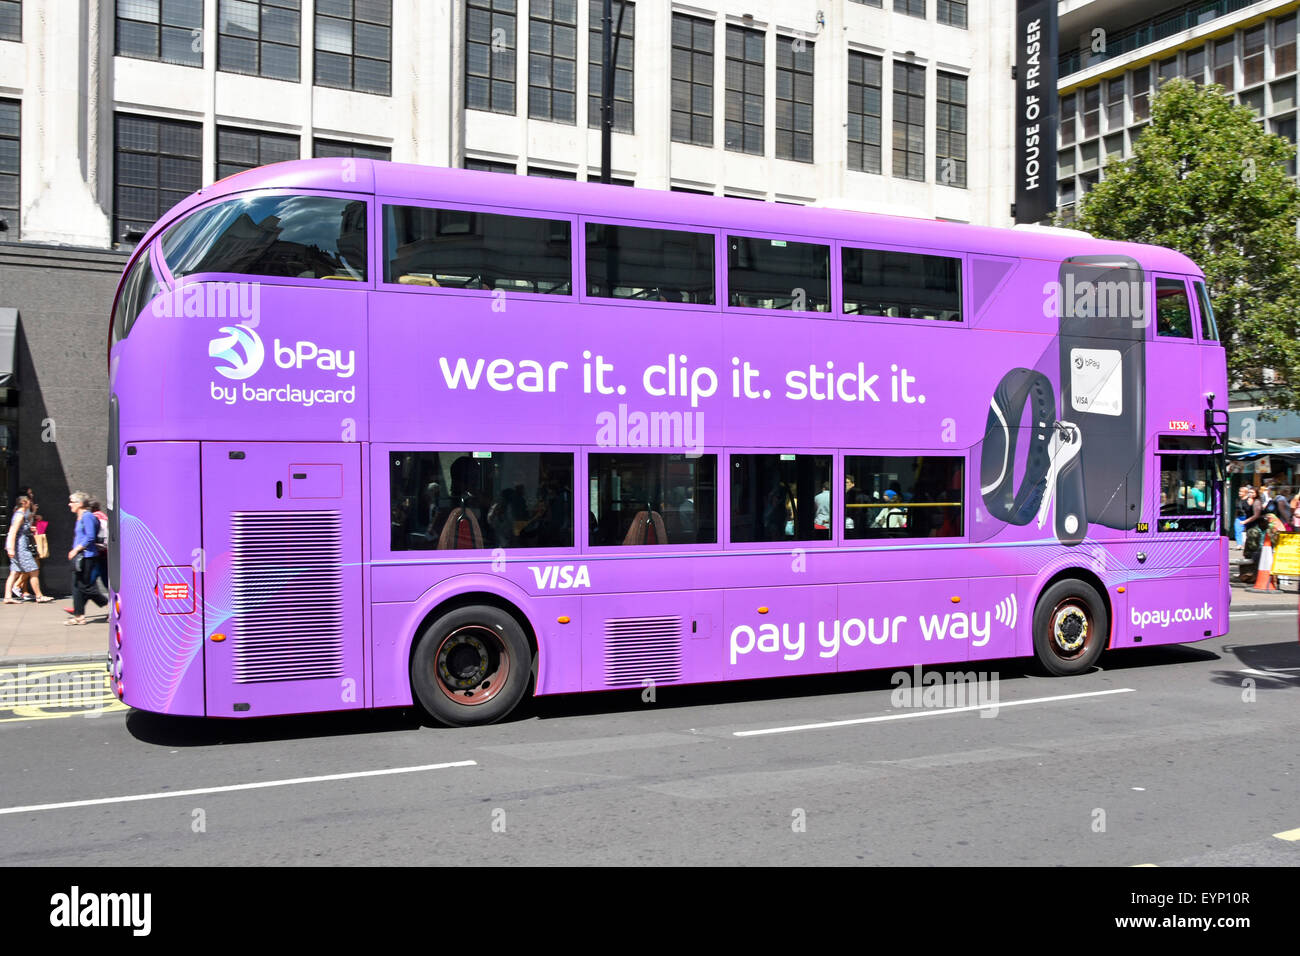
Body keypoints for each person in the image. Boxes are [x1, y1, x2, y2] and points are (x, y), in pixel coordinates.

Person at [65, 492, 107, 625]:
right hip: (81, 556)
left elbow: (90, 537)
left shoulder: (87, 516)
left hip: (87, 557)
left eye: (72, 501)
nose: (69, 504)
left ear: (80, 503)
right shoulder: (80, 516)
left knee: (85, 586)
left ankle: (106, 603)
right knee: (77, 586)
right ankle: (79, 616)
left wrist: (76, 549)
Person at [5, 496, 52, 603]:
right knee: (34, 570)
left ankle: (8, 597)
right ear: (24, 502)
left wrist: (29, 529)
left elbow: (19, 530)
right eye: (29, 501)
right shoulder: (20, 515)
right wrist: (11, 549)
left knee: (14, 572)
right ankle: (39, 596)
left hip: (18, 547)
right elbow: (13, 531)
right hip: (20, 548)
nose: (30, 503)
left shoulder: (20, 514)